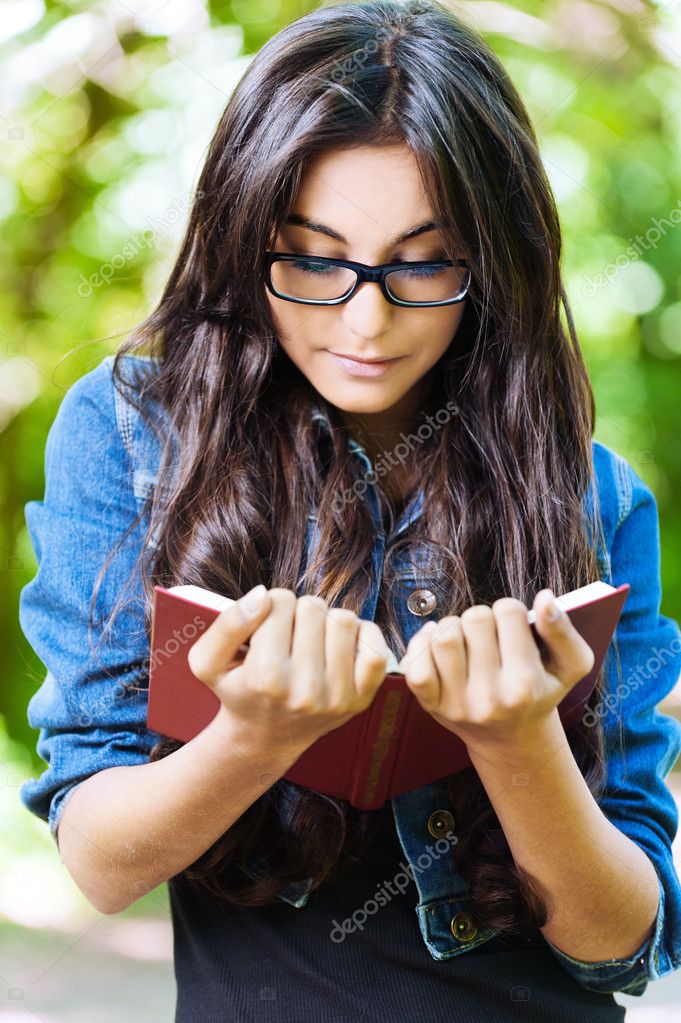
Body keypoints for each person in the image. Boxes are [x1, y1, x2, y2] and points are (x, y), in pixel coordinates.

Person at [18, 1, 681, 1020]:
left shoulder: (592, 497)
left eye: (421, 263)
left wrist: (517, 745)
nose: (365, 322)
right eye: (315, 260)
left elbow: (624, 949)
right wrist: (256, 736)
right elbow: (103, 868)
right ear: (245, 242)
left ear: (492, 262)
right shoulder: (132, 437)